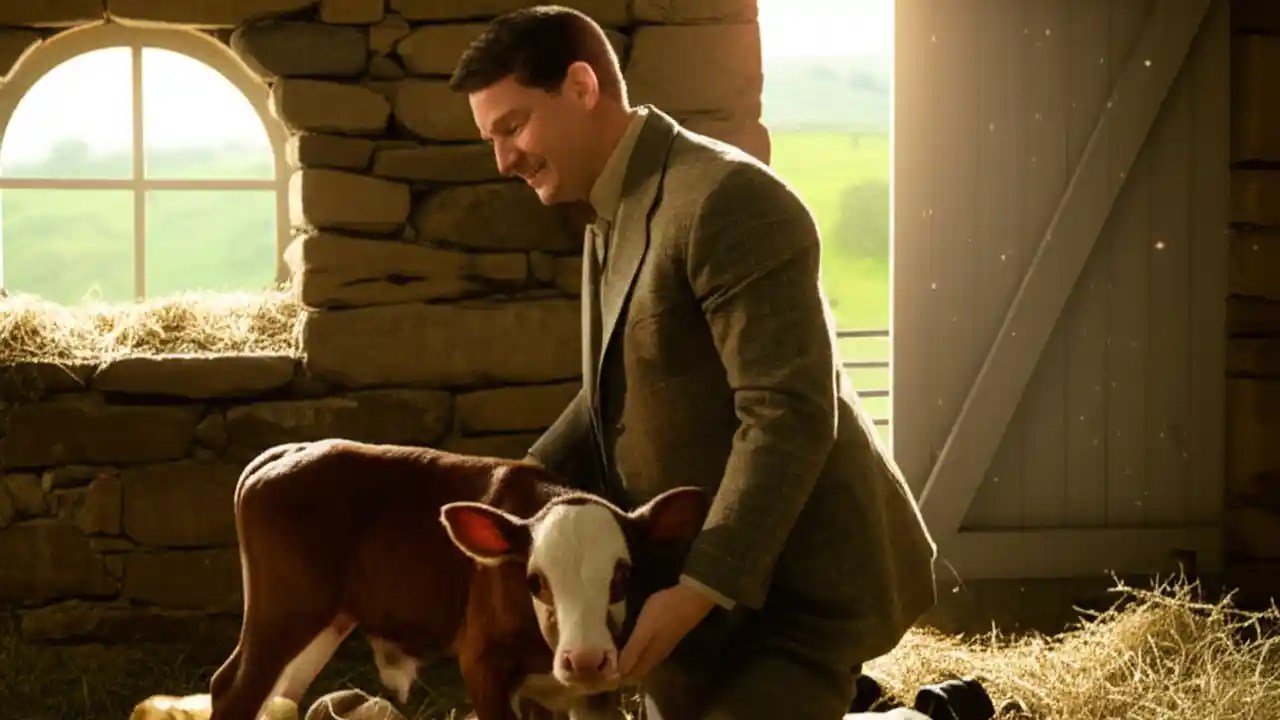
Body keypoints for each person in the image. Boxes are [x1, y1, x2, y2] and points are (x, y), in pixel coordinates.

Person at [448, 6, 938, 719]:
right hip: (691, 589)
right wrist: (511, 492)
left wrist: (696, 590)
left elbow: (787, 414)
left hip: (793, 598)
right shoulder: (609, 209)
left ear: (582, 87)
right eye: (493, 137)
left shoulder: (728, 201)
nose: (503, 159)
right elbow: (607, 398)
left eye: (513, 126)